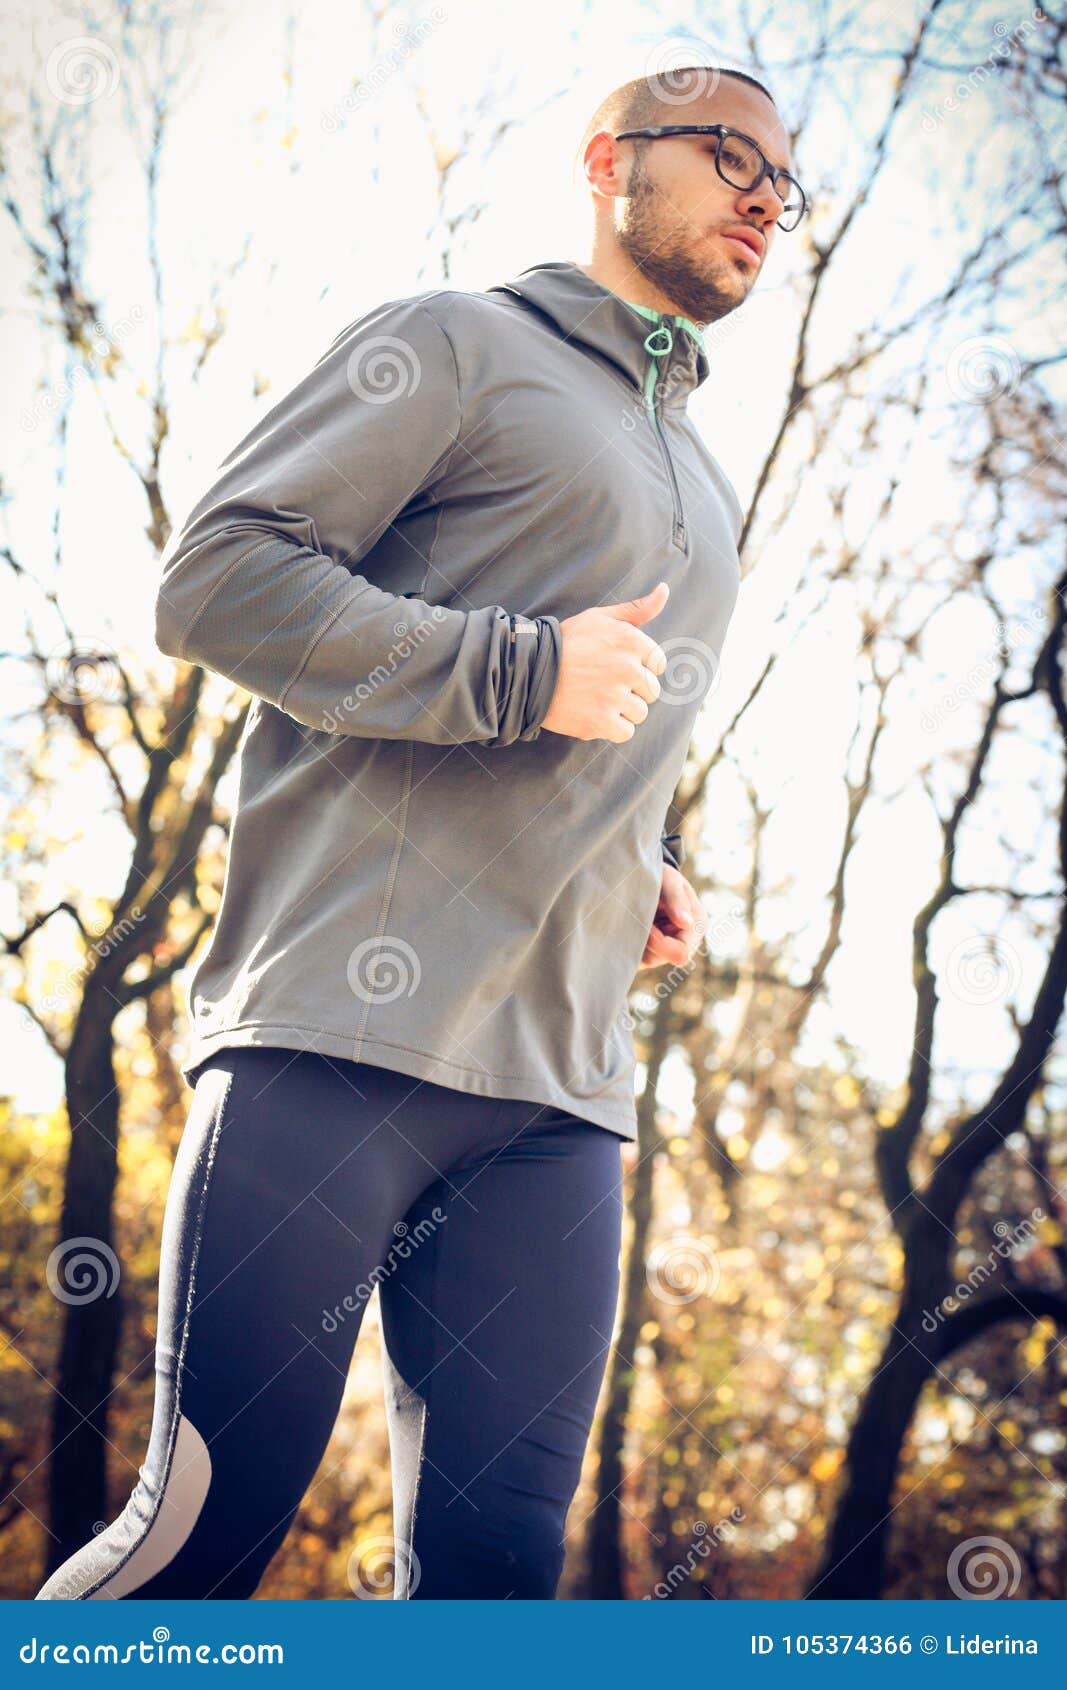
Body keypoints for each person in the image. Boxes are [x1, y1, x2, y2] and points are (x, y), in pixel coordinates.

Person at [36, 63, 803, 1600]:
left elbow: (602, 715)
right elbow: (218, 580)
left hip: (561, 1100)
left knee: (492, 1588)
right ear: (610, 160)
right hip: (335, 1037)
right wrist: (519, 671)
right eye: (734, 155)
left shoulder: (712, 490)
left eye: (785, 184)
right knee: (197, 1544)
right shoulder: (458, 343)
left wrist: (639, 864)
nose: (765, 199)